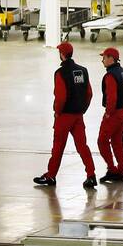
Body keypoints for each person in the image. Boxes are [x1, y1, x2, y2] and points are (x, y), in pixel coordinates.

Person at [33, 41, 97, 189]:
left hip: (64, 116)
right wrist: (82, 110)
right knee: (83, 146)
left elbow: (61, 97)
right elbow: (89, 93)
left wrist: (57, 112)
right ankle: (91, 175)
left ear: (61, 54)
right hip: (78, 116)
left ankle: (51, 175)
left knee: (58, 147)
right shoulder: (83, 71)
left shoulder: (60, 73)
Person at [97, 47, 123, 183]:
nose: (102, 61)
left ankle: (112, 169)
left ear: (111, 58)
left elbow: (111, 97)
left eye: (104, 57)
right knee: (118, 142)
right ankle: (121, 171)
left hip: (113, 113)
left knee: (102, 141)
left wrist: (108, 113)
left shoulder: (110, 76)